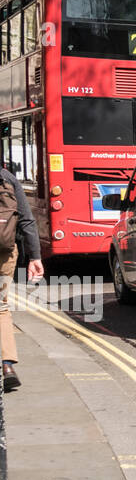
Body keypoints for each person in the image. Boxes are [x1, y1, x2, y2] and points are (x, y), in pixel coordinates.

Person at [1, 163, 43, 393]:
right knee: (1, 308)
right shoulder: (7, 177)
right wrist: (35, 257)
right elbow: (27, 219)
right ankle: (7, 366)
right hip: (4, 252)